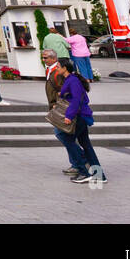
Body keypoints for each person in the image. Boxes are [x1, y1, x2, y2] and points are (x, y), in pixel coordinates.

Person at [43, 48, 88, 178]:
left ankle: (80, 162)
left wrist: (60, 101)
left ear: (54, 58)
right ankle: (78, 162)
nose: (44, 60)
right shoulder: (51, 71)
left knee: (64, 135)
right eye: (43, 57)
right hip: (58, 108)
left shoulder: (58, 73)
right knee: (67, 136)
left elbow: (69, 92)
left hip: (63, 109)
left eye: (46, 57)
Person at [59, 57, 105, 183]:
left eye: (58, 66)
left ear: (65, 68)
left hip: (79, 115)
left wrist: (69, 116)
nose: (57, 68)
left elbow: (76, 99)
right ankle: (99, 175)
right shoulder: (71, 79)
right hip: (81, 114)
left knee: (65, 138)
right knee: (86, 145)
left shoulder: (73, 80)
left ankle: (84, 171)